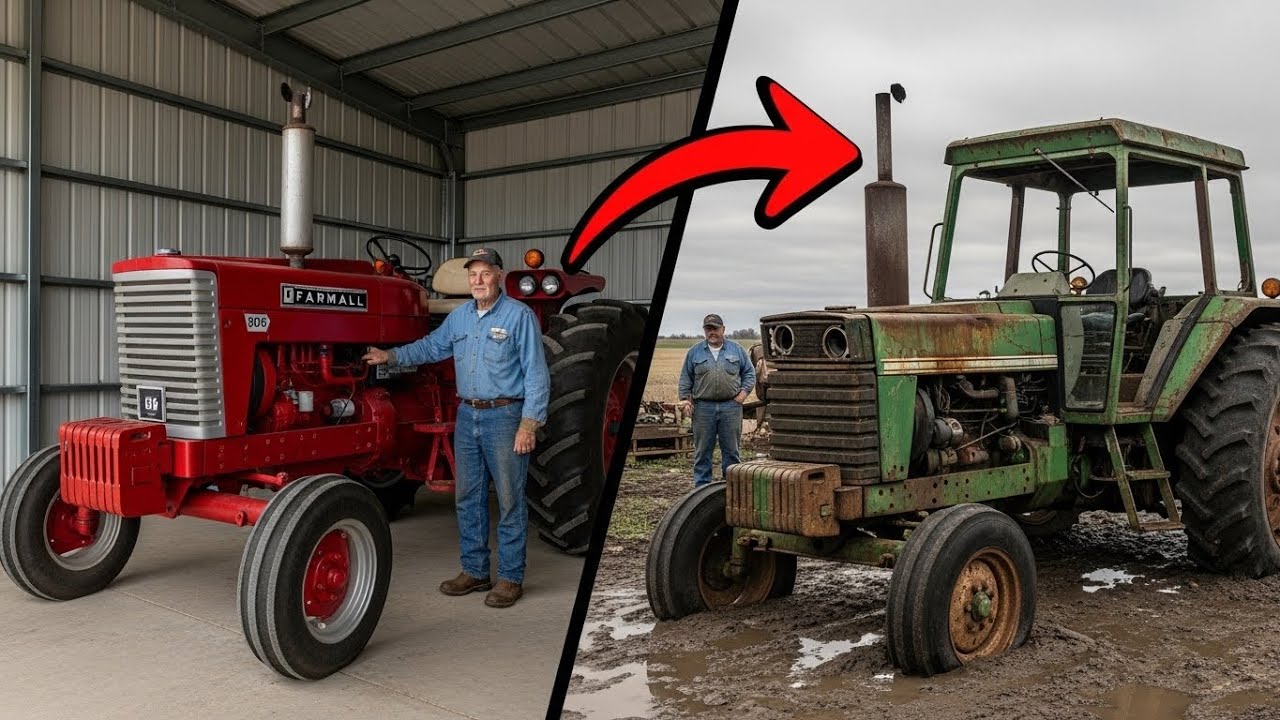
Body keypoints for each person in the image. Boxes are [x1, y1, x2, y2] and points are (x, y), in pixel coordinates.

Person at [362, 247, 549, 609]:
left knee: (509, 500)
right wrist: (392, 356)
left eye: (485, 273)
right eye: (473, 275)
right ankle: (475, 571)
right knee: (468, 497)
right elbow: (432, 347)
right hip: (468, 415)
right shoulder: (461, 318)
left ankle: (510, 578)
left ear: (498, 275)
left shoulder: (519, 316)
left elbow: (536, 373)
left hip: (505, 415)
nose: (478, 281)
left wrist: (529, 424)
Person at [677, 314, 756, 487]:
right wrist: (685, 400)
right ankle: (702, 491)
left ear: (723, 329)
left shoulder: (737, 350)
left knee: (732, 452)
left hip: (731, 407)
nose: (712, 332)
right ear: (705, 331)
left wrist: (742, 396)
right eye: (708, 329)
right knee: (702, 452)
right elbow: (685, 379)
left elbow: (749, 374)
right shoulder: (694, 352)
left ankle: (732, 489)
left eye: (715, 328)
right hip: (703, 408)